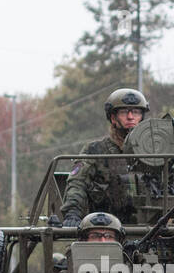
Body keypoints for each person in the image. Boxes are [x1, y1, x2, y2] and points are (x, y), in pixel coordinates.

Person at [60, 89, 150, 227]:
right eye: (124, 112)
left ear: (142, 117)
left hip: (152, 230)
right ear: (113, 118)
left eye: (136, 112)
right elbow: (77, 184)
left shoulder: (154, 153)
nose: (131, 117)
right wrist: (73, 213)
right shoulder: (95, 151)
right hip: (106, 229)